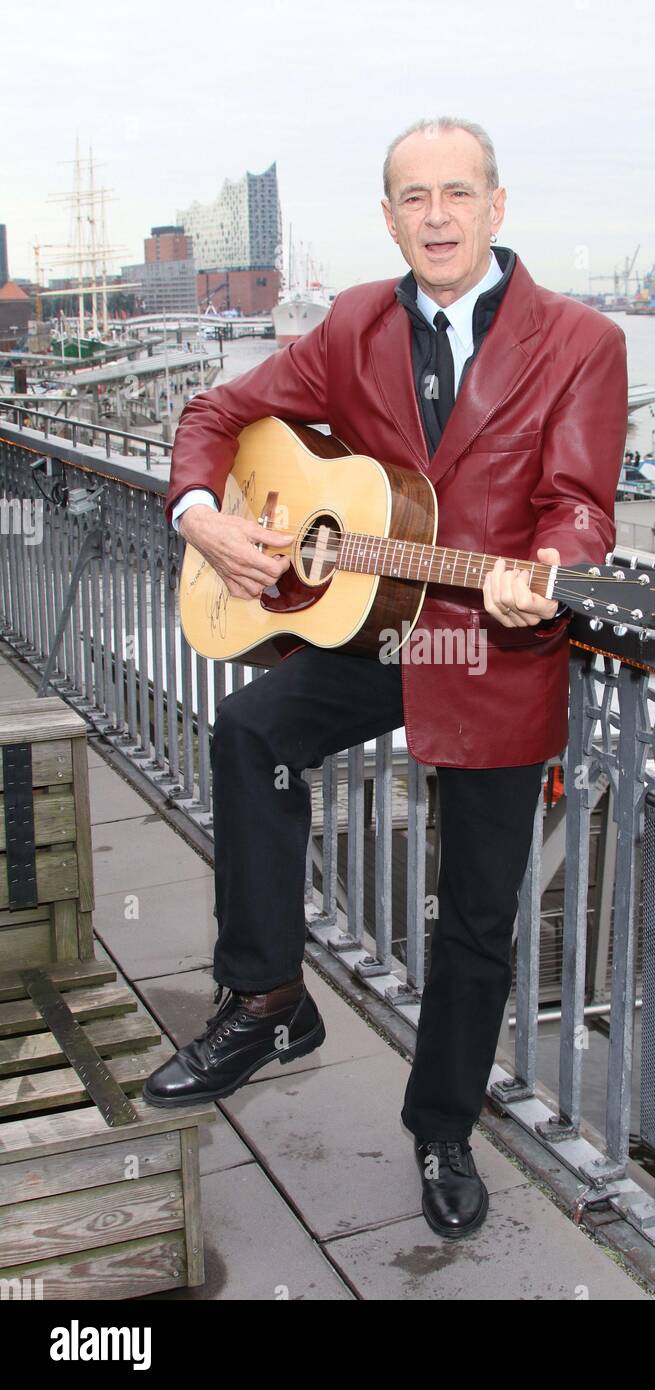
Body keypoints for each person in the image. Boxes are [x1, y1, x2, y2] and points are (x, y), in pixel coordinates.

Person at [144, 116, 627, 1240]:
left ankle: (443, 1128)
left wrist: (556, 569)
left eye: (460, 194)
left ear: (497, 207)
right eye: (416, 198)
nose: (439, 216)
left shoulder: (581, 340)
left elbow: (582, 506)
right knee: (251, 733)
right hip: (382, 634)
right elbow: (219, 412)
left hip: (492, 650)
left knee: (473, 922)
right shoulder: (353, 322)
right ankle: (267, 998)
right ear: (389, 216)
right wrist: (205, 516)